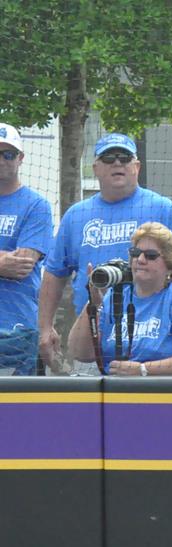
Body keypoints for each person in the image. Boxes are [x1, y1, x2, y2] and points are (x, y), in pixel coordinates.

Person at [40, 133, 172, 367]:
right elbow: (54, 273)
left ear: (136, 166)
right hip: (93, 336)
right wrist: (45, 327)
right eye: (108, 158)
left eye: (124, 157)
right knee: (93, 402)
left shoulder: (163, 208)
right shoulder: (76, 216)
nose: (117, 163)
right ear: (95, 168)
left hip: (153, 337)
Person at [65, 222, 172, 375]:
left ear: (170, 265)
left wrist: (143, 370)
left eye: (150, 256)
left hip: (165, 393)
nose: (140, 259)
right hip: (114, 392)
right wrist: (93, 304)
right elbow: (80, 353)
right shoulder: (116, 295)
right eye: (135, 253)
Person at [0, 123, 53, 377]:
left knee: (17, 412)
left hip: (18, 330)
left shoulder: (37, 206)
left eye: (8, 154)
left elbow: (22, 265)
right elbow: (8, 263)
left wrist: (8, 263)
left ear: (20, 158)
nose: (1, 160)